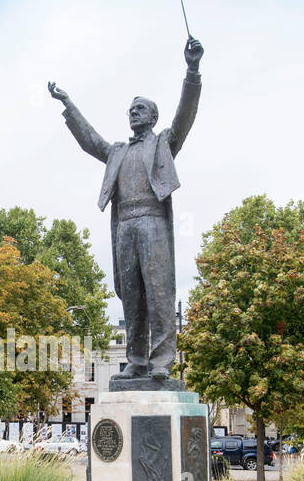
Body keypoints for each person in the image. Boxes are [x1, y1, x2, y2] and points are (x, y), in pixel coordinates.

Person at [49, 35, 203, 384]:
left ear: (152, 116)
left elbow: (186, 115)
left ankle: (161, 360)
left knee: (159, 293)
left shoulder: (165, 142)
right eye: (130, 110)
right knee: (131, 294)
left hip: (153, 221)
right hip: (125, 226)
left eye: (139, 109)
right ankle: (136, 359)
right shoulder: (117, 151)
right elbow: (90, 140)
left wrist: (192, 69)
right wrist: (68, 104)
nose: (132, 113)